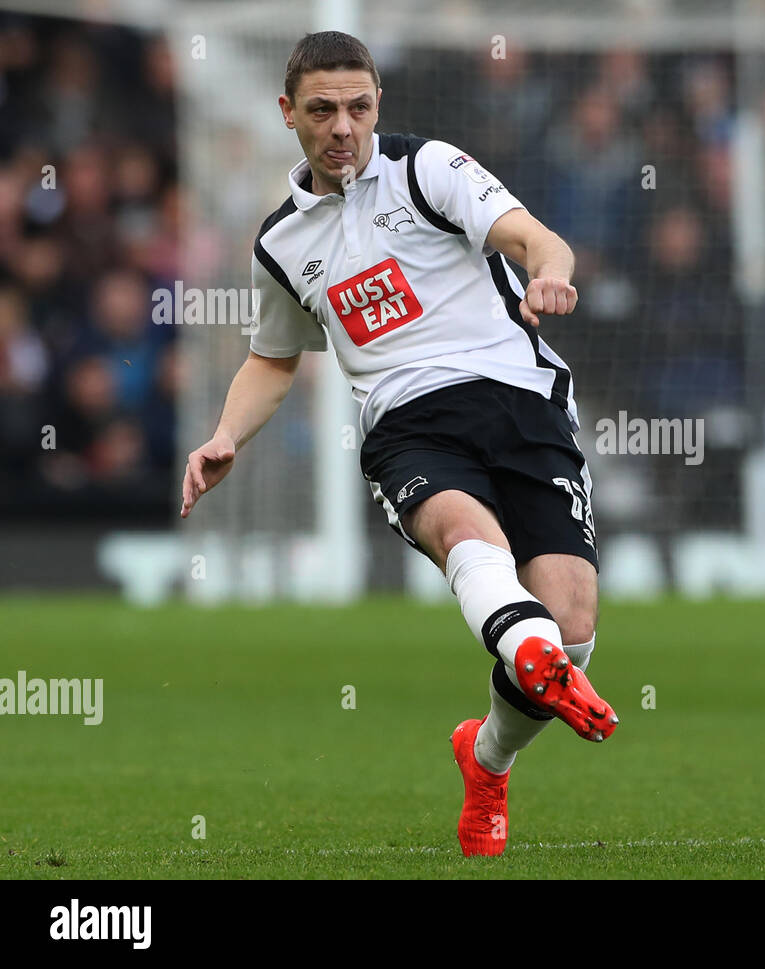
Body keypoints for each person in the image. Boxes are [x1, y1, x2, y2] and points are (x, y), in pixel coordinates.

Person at [179, 31, 617, 858]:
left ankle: (486, 757)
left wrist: (552, 272)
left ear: (377, 103)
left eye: (359, 106)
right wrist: (224, 434)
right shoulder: (281, 243)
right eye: (322, 110)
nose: (343, 126)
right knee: (465, 535)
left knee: (573, 624)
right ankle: (532, 652)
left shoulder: (429, 170)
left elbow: (531, 238)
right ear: (288, 115)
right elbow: (272, 359)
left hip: (522, 403)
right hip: (407, 426)